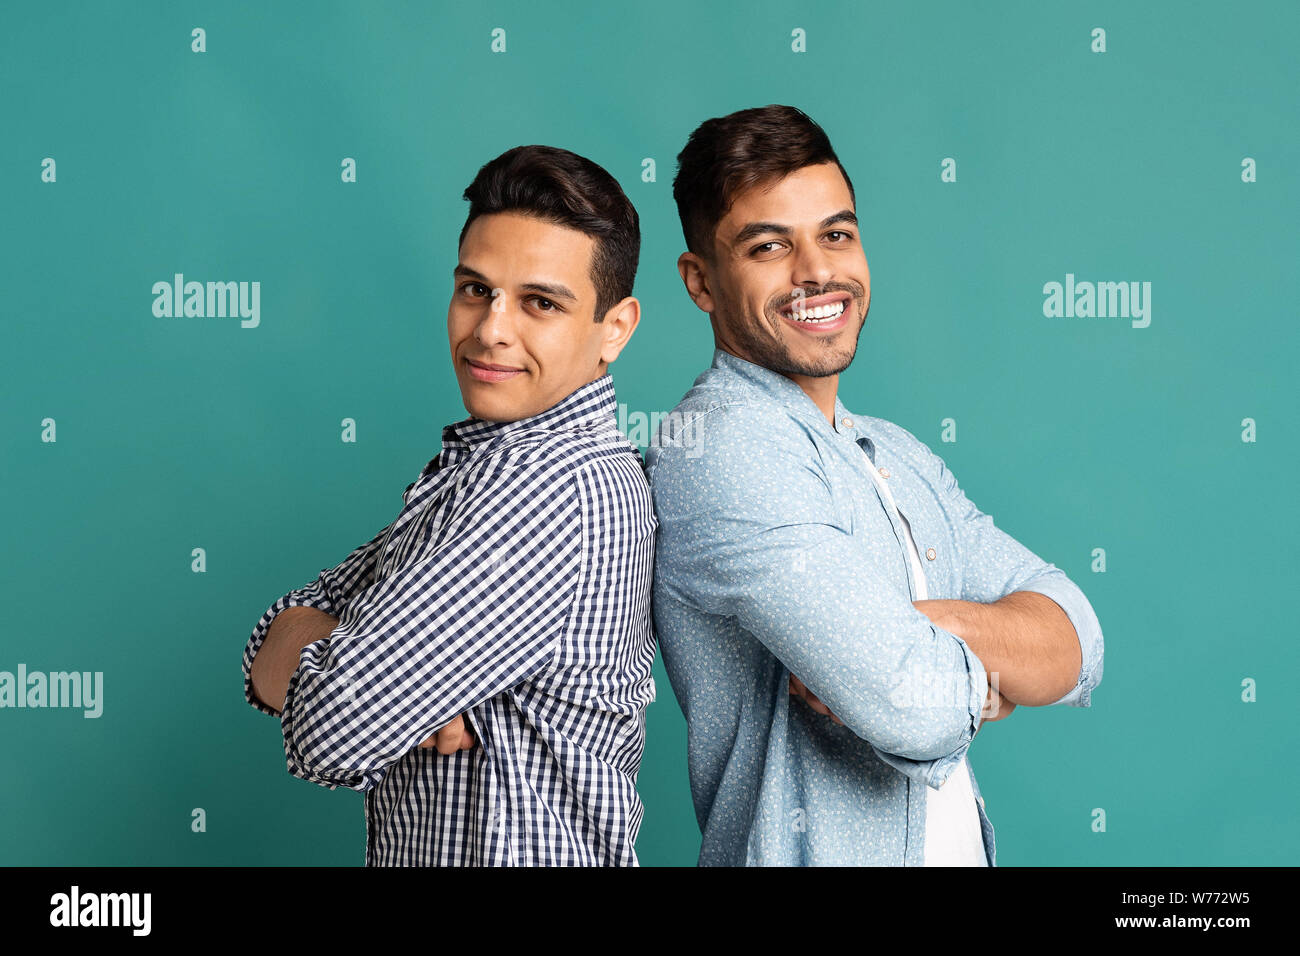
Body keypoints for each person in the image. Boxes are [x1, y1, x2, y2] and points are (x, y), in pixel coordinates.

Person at [644, 104, 1105, 866]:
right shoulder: (720, 449)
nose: (818, 271)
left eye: (836, 233)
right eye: (769, 246)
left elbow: (1080, 637)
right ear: (700, 281)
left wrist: (931, 631)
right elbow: (908, 707)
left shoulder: (894, 453)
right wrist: (987, 673)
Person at [242, 144, 657, 866]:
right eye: (475, 289)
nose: (491, 328)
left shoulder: (542, 490)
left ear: (614, 328)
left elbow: (333, 723)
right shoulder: (486, 469)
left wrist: (360, 669)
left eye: (541, 302)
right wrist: (364, 663)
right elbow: (275, 637)